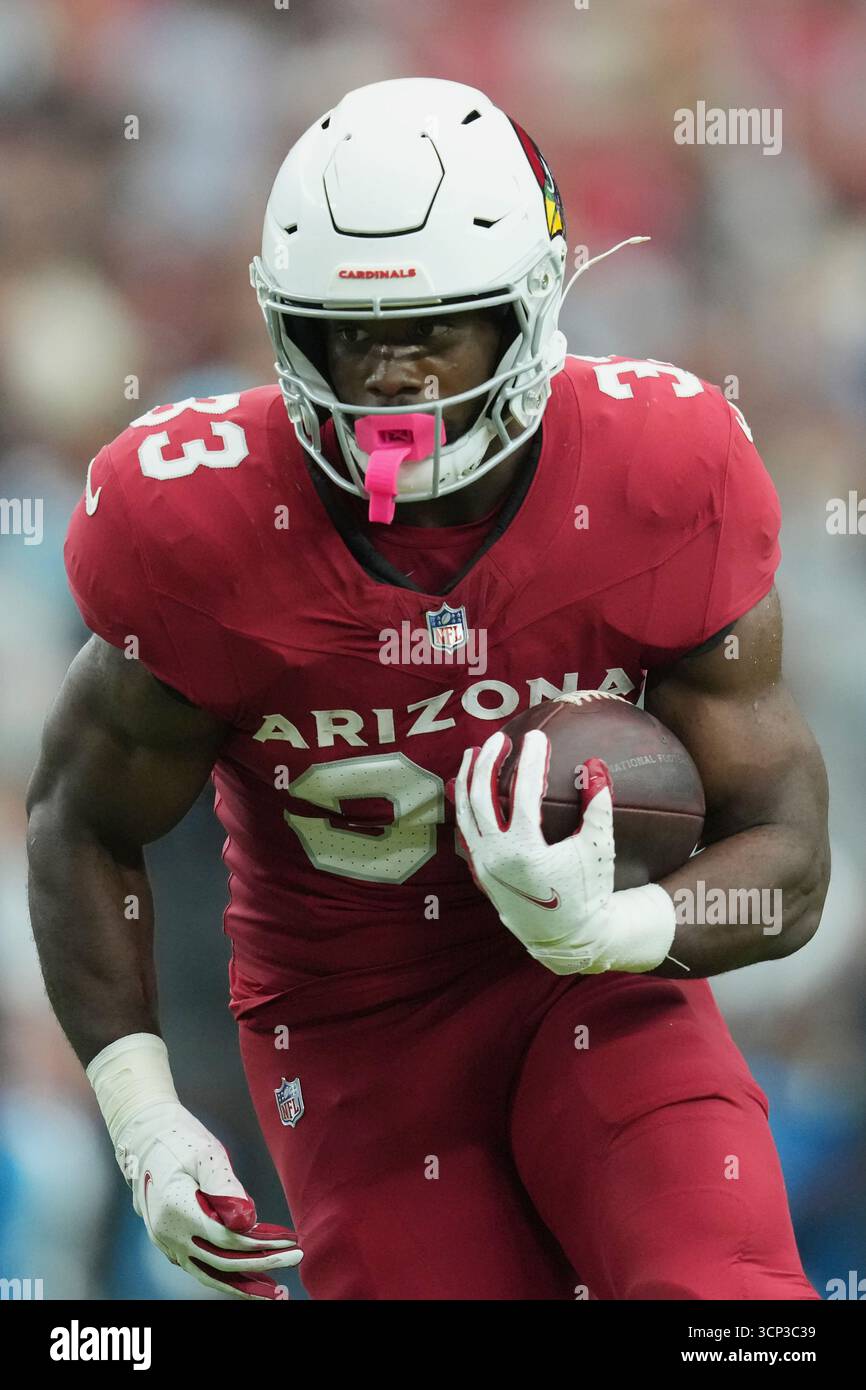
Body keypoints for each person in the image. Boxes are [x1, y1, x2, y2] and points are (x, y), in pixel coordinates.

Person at [26, 77, 829, 1300]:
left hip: (595, 992)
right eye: (348, 331)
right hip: (352, 1038)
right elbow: (82, 821)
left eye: (433, 328)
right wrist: (143, 1114)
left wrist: (622, 928)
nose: (388, 378)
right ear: (286, 326)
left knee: (722, 1300)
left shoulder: (657, 469)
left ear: (525, 312)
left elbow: (787, 846)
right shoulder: (192, 520)